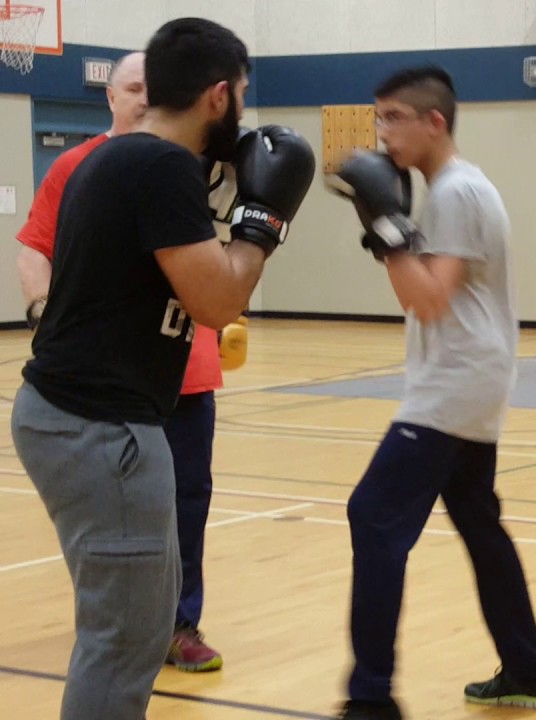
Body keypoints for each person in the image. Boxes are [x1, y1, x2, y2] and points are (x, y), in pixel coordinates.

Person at [9, 17, 315, 720]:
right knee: (125, 639)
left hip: (91, 417)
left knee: (134, 627)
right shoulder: (157, 167)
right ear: (218, 95)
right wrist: (264, 222)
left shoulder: (133, 160)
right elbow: (217, 299)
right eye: (239, 92)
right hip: (99, 424)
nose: (241, 108)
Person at [325, 66, 536, 719]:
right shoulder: (460, 188)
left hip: (455, 383)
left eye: (394, 117)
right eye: (378, 118)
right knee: (477, 521)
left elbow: (426, 298)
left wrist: (386, 228)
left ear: (435, 121)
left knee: (372, 514)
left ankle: (370, 697)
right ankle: (528, 670)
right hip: (473, 377)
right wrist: (391, 228)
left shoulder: (456, 192)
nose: (382, 133)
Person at [14, 49, 231, 675]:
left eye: (151, 88)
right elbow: (34, 246)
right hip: (108, 385)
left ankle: (177, 621)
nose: (142, 98)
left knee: (187, 504)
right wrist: (42, 312)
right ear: (110, 97)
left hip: (185, 374)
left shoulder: (197, 167)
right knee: (119, 526)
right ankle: (122, 620)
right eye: (131, 87)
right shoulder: (80, 166)